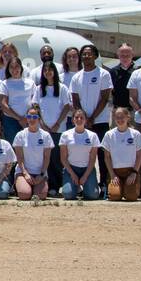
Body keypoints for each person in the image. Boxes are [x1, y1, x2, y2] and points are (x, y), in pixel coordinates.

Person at [69, 44, 114, 195]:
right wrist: (84, 118)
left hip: (99, 121)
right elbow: (75, 99)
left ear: (95, 56)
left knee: (102, 154)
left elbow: (105, 97)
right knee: (81, 154)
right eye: (84, 54)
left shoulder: (103, 74)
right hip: (82, 123)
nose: (86, 57)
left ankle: (104, 185)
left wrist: (93, 117)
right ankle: (78, 184)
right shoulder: (77, 77)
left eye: (89, 54)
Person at [35, 61, 71, 191]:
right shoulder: (39, 89)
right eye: (45, 70)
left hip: (58, 129)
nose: (47, 72)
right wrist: (42, 124)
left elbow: (67, 106)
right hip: (43, 129)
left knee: (56, 158)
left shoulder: (62, 88)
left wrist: (57, 123)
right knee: (46, 158)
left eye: (50, 70)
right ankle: (48, 185)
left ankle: (58, 185)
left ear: (54, 72)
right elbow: (35, 106)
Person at [103, 106, 141, 201]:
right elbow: (107, 157)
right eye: (117, 117)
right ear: (114, 118)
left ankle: (127, 189)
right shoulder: (109, 135)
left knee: (131, 197)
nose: (120, 120)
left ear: (128, 117)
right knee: (114, 196)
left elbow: (139, 156)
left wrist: (134, 172)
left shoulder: (136, 134)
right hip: (115, 172)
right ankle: (119, 189)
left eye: (122, 117)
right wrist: (112, 175)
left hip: (130, 172)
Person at [59, 108, 101, 200]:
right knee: (68, 195)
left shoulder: (93, 136)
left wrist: (85, 176)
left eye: (82, 117)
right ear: (73, 120)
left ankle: (87, 187)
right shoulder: (65, 135)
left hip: (87, 168)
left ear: (85, 120)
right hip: (71, 168)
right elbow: (63, 158)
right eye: (76, 117)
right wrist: (73, 174)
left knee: (92, 196)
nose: (79, 119)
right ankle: (75, 188)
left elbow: (93, 158)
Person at [12, 106, 53, 200]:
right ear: (26, 118)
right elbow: (19, 158)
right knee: (24, 195)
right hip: (23, 172)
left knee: (40, 196)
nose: (32, 119)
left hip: (40, 173)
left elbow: (47, 158)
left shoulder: (46, 136)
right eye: (29, 117)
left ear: (39, 119)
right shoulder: (20, 135)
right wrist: (25, 173)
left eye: (34, 117)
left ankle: (38, 187)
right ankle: (19, 184)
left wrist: (42, 175)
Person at [0, 55, 36, 142]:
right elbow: (3, 104)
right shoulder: (5, 83)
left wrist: (26, 117)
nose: (14, 69)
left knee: (28, 145)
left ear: (21, 68)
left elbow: (35, 102)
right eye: (11, 67)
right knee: (13, 145)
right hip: (10, 120)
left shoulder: (30, 83)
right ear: (8, 69)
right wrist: (19, 118)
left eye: (17, 66)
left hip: (29, 119)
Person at [108, 43, 138, 114]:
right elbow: (109, 93)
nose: (125, 58)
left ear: (132, 55)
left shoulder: (139, 71)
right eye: (122, 55)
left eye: (127, 55)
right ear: (118, 56)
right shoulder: (112, 72)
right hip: (117, 112)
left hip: (135, 111)